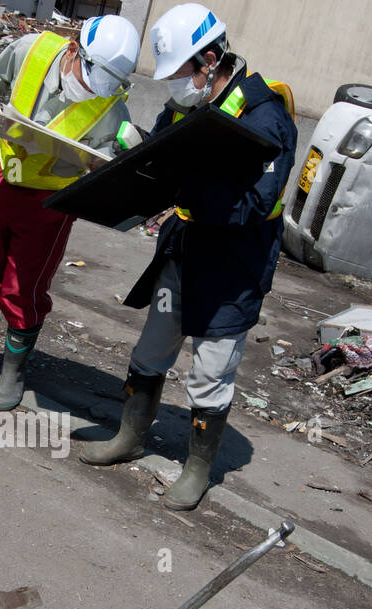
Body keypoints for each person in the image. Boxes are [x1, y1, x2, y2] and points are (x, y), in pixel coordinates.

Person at [79, 4, 297, 511]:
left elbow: (259, 202)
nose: (173, 85)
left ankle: (197, 468)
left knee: (210, 372)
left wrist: (191, 188)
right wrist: (133, 158)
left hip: (234, 268)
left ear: (211, 60)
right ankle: (129, 436)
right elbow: (165, 150)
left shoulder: (265, 116)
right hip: (183, 250)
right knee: (151, 349)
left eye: (179, 73)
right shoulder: (186, 103)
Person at [0, 15, 140, 410]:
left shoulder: (112, 109)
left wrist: (105, 164)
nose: (95, 90)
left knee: (22, 287)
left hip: (50, 203)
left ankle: (12, 372)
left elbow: (113, 164)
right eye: (93, 76)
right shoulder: (33, 50)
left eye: (109, 84)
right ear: (75, 50)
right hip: (1, 179)